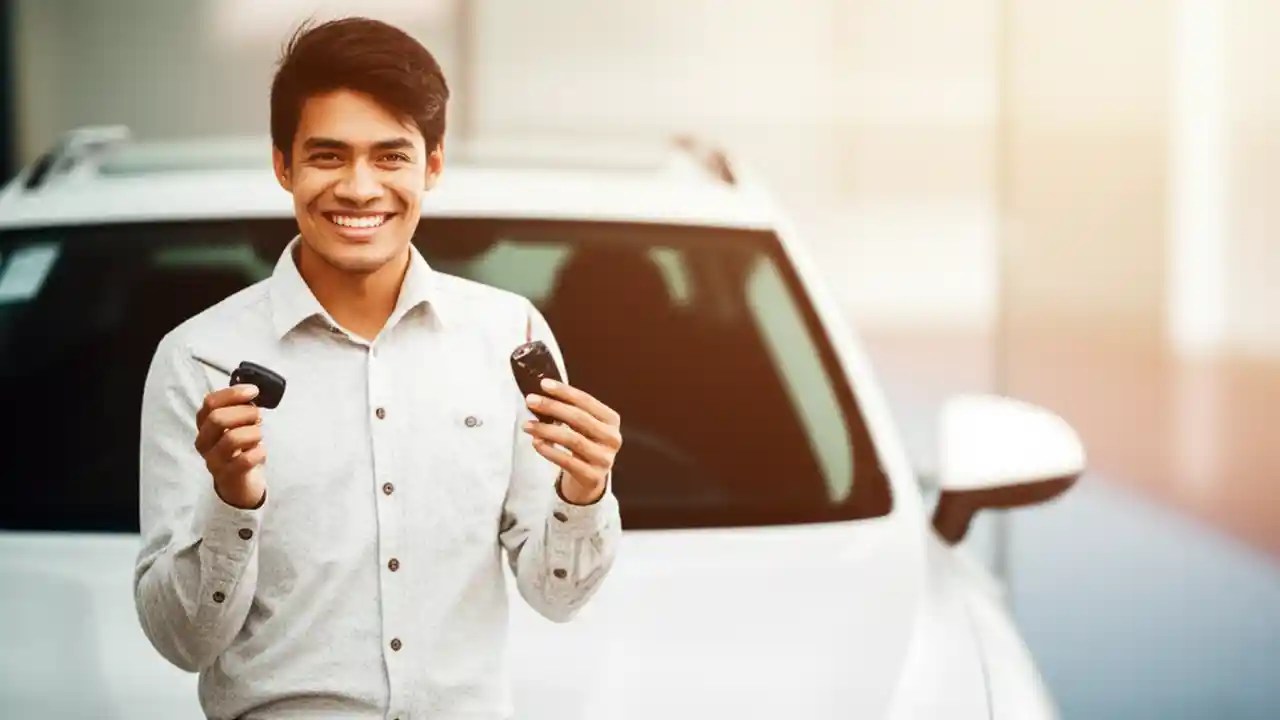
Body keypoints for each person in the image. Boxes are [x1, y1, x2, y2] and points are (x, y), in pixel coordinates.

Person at [133, 17, 623, 719]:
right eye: (328, 156)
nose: (360, 189)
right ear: (282, 165)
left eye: (390, 157)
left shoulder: (505, 333)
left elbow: (559, 596)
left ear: (433, 165)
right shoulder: (197, 358)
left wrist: (584, 489)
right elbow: (184, 642)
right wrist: (233, 502)